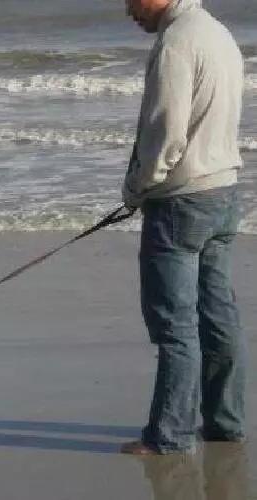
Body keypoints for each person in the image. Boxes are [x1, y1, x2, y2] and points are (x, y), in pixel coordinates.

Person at [120, 0, 246, 454]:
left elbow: (165, 131)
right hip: (224, 191)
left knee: (175, 326)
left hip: (181, 200)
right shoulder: (216, 31)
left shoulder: (177, 41)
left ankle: (168, 437)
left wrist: (137, 186)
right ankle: (225, 423)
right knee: (217, 316)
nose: (128, 10)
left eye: (132, 0)